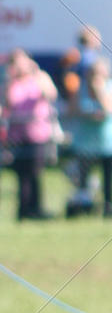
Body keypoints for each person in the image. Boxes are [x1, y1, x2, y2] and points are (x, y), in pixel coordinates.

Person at [2, 48, 58, 220]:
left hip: (37, 133)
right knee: (22, 173)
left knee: (35, 171)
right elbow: (8, 103)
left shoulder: (39, 78)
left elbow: (51, 94)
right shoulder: (11, 82)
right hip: (17, 136)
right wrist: (11, 77)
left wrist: (36, 72)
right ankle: (24, 210)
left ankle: (36, 208)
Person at [68, 57, 112, 217]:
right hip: (85, 143)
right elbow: (71, 111)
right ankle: (83, 207)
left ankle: (109, 208)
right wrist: (88, 115)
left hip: (109, 142)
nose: (96, 77)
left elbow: (110, 109)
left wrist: (100, 90)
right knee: (82, 179)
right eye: (93, 73)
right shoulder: (80, 89)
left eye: (100, 73)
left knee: (109, 178)